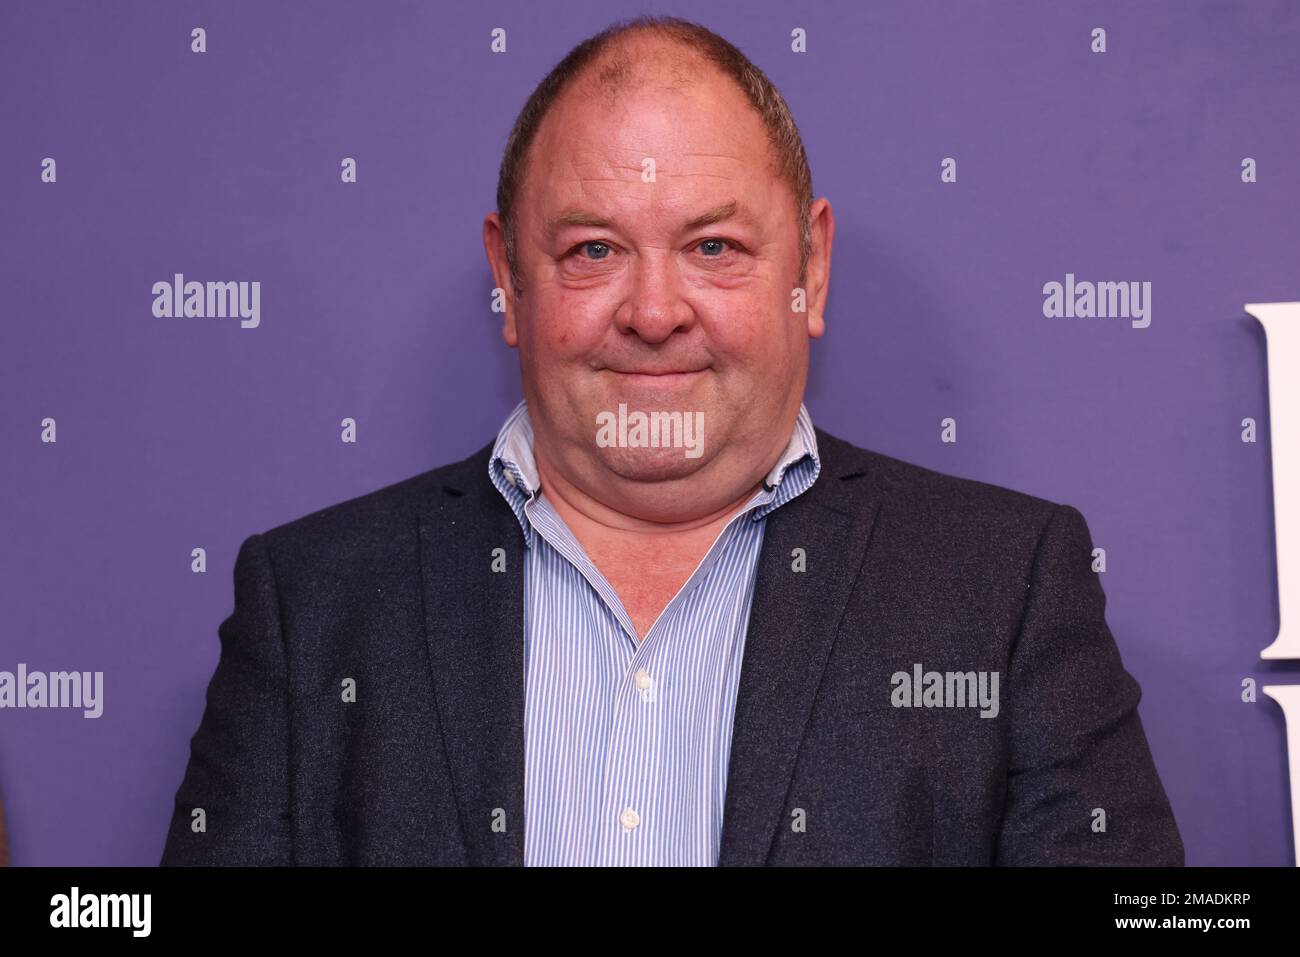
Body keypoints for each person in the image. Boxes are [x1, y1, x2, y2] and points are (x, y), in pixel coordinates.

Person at [161, 15, 1183, 866]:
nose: (653, 311)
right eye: (593, 249)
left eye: (713, 247)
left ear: (810, 270)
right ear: (508, 276)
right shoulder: (311, 604)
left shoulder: (1002, 589)